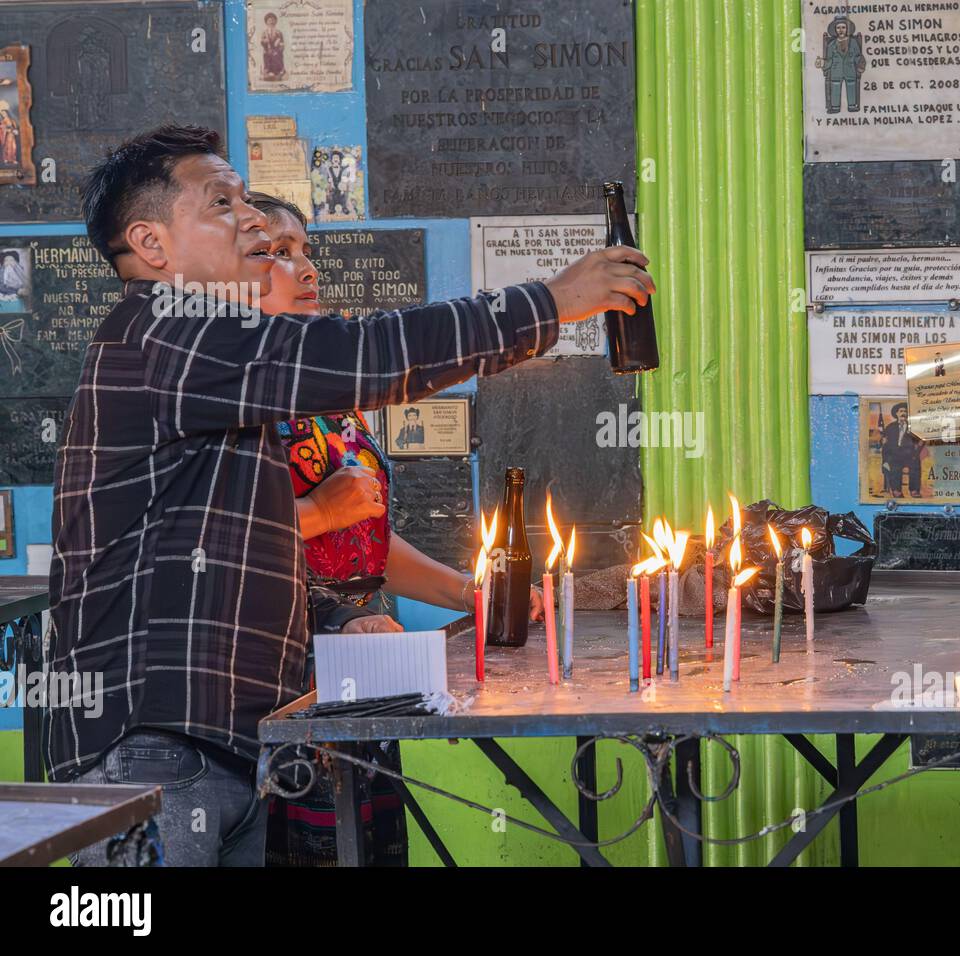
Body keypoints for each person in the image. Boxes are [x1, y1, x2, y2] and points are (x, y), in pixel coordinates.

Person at [47, 125, 653, 866]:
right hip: (155, 746)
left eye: (246, 199)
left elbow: (248, 548)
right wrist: (554, 302)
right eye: (220, 203)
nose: (253, 221)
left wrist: (361, 612)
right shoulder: (164, 328)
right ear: (152, 245)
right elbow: (364, 354)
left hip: (233, 739)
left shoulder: (212, 361)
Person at [248, 192, 543, 865]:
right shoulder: (236, 404)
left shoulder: (329, 399)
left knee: (367, 842)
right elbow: (219, 540)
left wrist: (468, 593)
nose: (306, 270)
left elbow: (365, 548)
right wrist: (319, 515)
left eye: (306, 252)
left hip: (363, 660)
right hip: (282, 673)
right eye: (277, 255)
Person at [880, 402, 924, 498]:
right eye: (901, 411)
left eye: (905, 411)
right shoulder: (890, 427)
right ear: (896, 413)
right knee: (894, 466)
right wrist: (882, 441)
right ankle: (896, 490)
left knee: (915, 465)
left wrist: (916, 452)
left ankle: (914, 490)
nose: (903, 413)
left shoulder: (913, 427)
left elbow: (921, 440)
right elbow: (884, 441)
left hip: (909, 454)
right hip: (895, 454)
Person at [260, 13, 285, 80]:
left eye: (273, 20)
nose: (271, 22)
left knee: (276, 56)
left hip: (276, 50)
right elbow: (262, 41)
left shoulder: (278, 32)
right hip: (267, 49)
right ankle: (267, 72)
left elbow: (282, 43)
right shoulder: (264, 32)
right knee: (266, 55)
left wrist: (279, 45)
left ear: (275, 22)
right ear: (266, 22)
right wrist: (264, 41)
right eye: (269, 20)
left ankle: (278, 72)